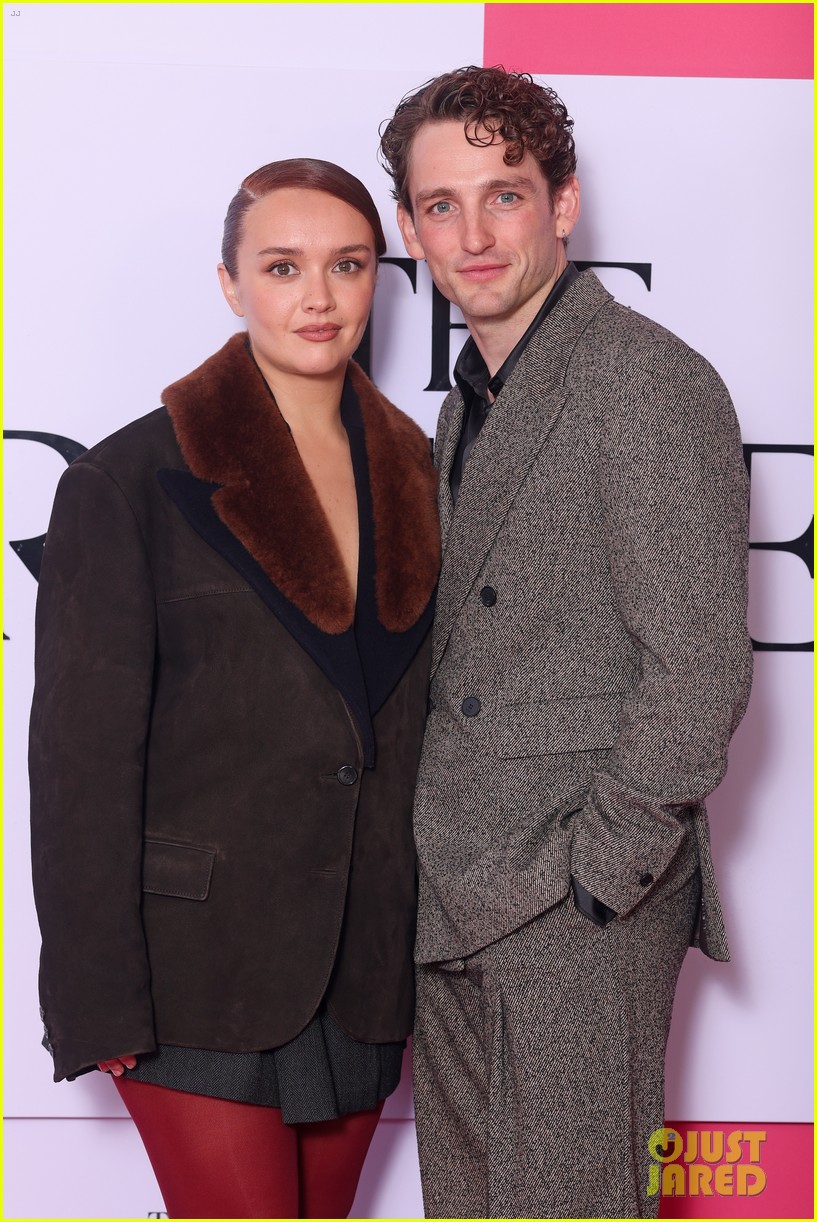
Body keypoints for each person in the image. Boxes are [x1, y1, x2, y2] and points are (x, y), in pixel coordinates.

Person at [29, 158, 440, 1220]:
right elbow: (78, 762)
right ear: (228, 283)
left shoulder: (428, 475)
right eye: (281, 266)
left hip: (364, 961)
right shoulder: (129, 481)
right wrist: (95, 994)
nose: (317, 296)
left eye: (347, 266)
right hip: (190, 974)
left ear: (376, 281)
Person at [379, 67, 753, 1219]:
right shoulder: (463, 404)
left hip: (568, 900)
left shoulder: (643, 381)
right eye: (442, 205)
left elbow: (698, 666)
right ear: (409, 227)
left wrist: (599, 882)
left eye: (505, 194)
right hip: (453, 880)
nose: (474, 233)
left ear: (563, 203)